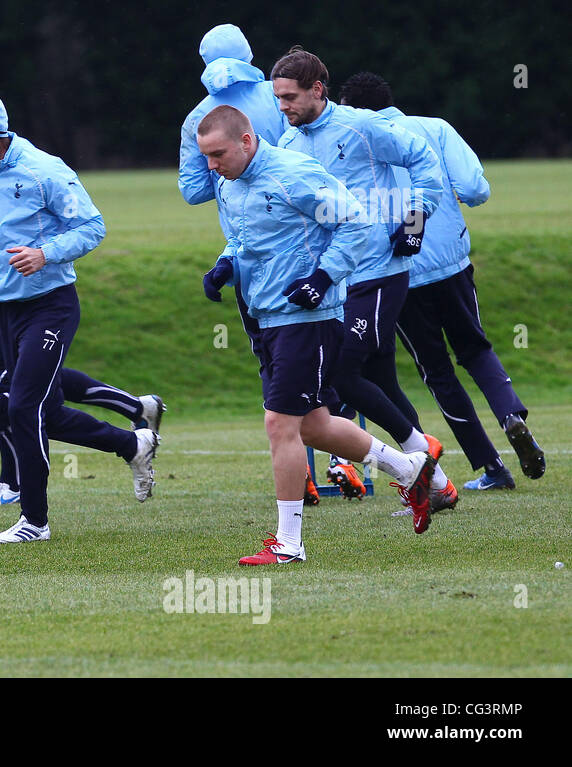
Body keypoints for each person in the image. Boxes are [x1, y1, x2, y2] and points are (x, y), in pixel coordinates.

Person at [195, 106, 439, 563]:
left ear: (246, 141)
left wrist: (323, 278)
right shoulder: (230, 183)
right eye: (205, 156)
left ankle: (289, 544)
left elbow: (357, 222)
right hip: (263, 315)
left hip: (305, 319)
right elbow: (245, 239)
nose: (212, 165)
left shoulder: (296, 174)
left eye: (218, 154)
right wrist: (225, 264)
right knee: (313, 425)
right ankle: (410, 467)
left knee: (279, 424)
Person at [0, 91, 160, 544]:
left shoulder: (44, 170)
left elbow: (92, 227)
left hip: (52, 304)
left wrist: (45, 254)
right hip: (7, 309)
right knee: (37, 407)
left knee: (24, 406)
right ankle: (133, 443)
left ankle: (35, 521)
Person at [339, 71, 545, 494]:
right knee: (476, 348)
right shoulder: (434, 127)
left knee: (437, 372)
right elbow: (474, 188)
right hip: (452, 262)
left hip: (397, 273)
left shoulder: (351, 142)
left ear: (352, 110)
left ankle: (491, 466)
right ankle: (511, 416)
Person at [271, 46, 454, 506]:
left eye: (290, 97)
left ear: (317, 89)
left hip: (378, 269)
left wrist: (415, 220)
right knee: (381, 381)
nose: (284, 107)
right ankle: (435, 483)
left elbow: (424, 160)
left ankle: (418, 454)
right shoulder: (288, 145)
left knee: (339, 374)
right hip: (336, 279)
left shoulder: (363, 126)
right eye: (278, 99)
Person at [179, 23, 319, 504]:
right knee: (329, 378)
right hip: (304, 247)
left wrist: (219, 170)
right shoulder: (279, 95)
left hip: (253, 257)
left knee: (280, 376)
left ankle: (309, 480)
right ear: (250, 53)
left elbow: (193, 190)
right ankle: (354, 464)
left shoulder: (200, 116)